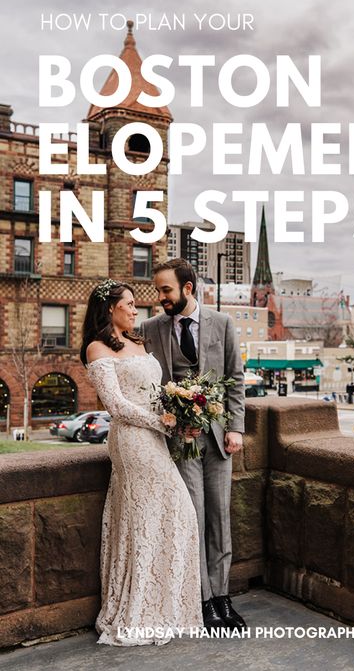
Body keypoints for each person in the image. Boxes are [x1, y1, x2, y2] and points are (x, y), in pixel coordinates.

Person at [80, 279, 202, 646]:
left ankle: (165, 604)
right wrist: (163, 424)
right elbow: (116, 406)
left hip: (156, 437)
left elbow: (154, 395)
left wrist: (180, 415)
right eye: (129, 304)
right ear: (110, 309)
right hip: (132, 441)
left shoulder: (135, 342)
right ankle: (136, 609)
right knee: (145, 518)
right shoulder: (97, 349)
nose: (135, 310)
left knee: (176, 514)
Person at [141, 258, 247, 631]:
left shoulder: (222, 323)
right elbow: (148, 387)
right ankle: (202, 601)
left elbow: (235, 378)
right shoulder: (150, 329)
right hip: (178, 442)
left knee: (219, 518)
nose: (160, 298)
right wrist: (169, 420)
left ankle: (223, 597)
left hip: (219, 440)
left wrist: (236, 428)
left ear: (188, 288)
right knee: (193, 520)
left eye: (166, 290)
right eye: (158, 291)